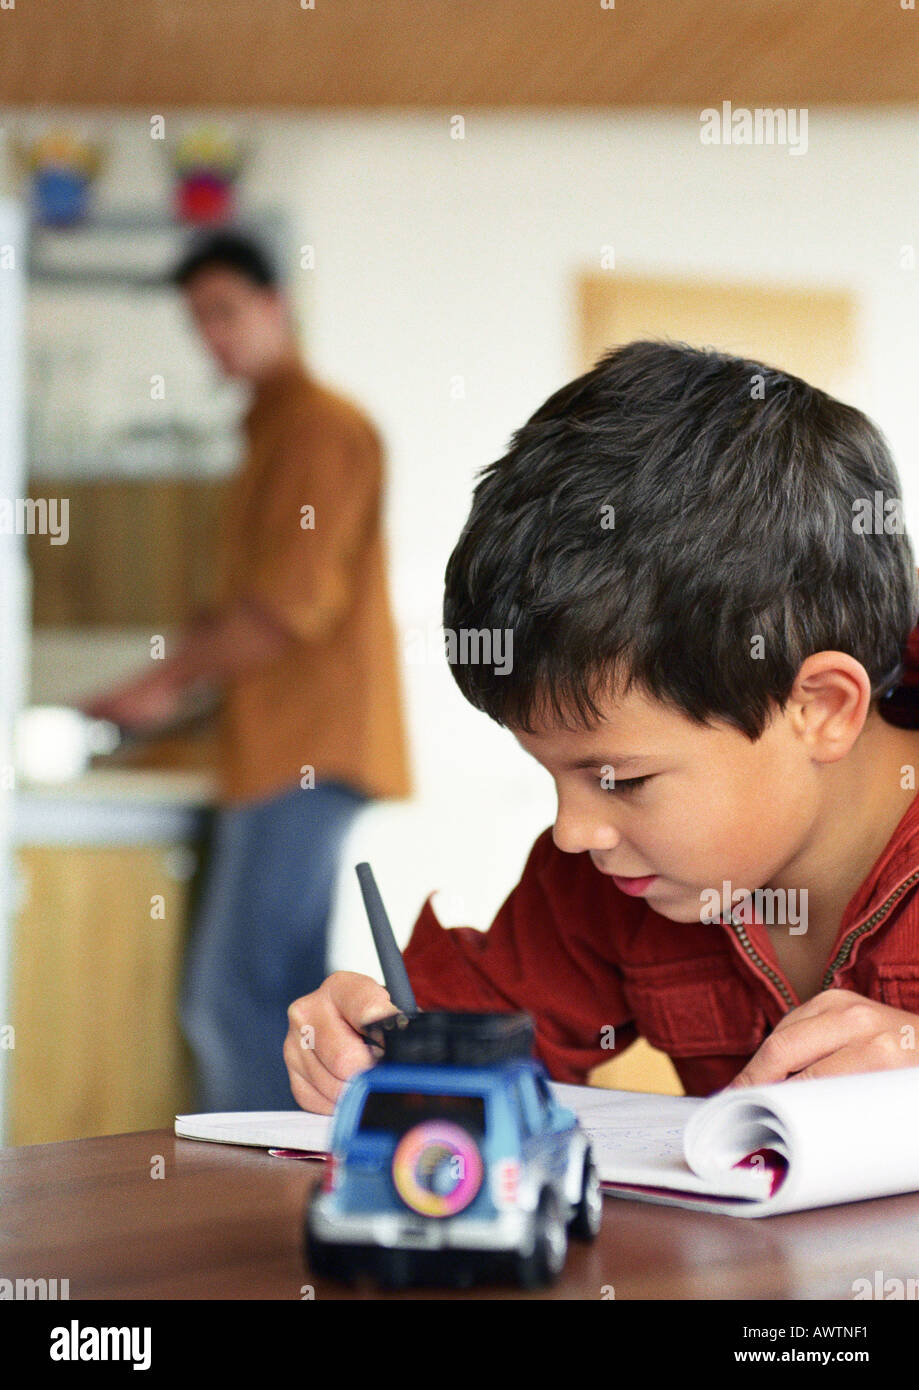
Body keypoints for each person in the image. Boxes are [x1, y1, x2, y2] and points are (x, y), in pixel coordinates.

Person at [283, 339, 919, 1113]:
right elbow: (484, 1039)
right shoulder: (614, 876)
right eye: (551, 771)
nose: (572, 832)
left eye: (621, 778)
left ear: (819, 709)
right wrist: (368, 1044)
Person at [85, 231, 411, 1110]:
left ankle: (260, 1208)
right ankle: (286, 1197)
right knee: (282, 1003)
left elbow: (289, 604)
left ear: (277, 306)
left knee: (236, 1004)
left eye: (226, 312)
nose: (212, 337)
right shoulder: (274, 428)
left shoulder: (316, 426)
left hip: (301, 753)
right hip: (281, 749)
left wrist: (163, 680)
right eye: (199, 320)